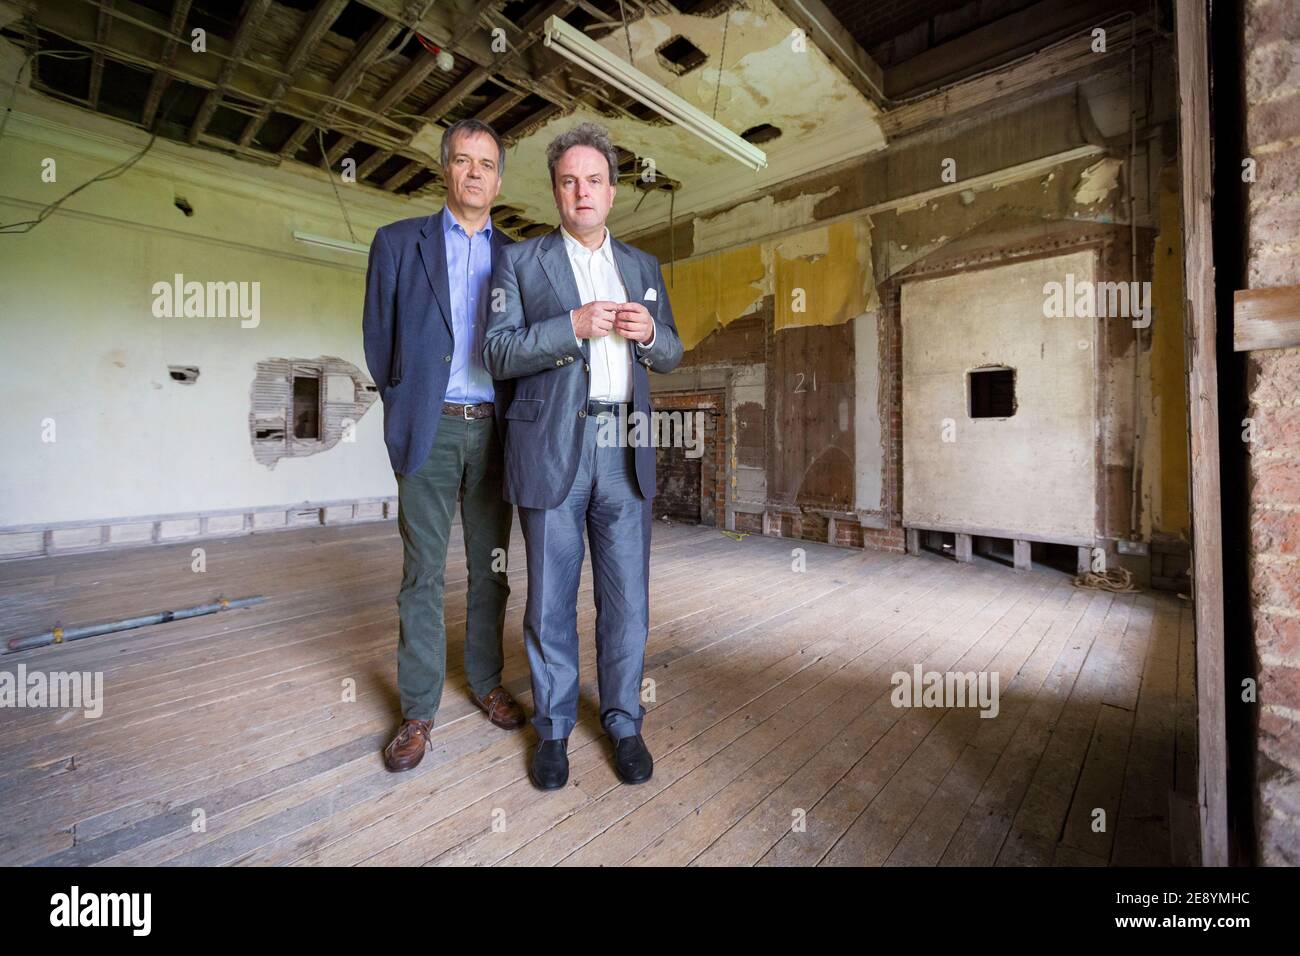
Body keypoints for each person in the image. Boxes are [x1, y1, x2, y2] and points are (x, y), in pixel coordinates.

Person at [483, 121, 684, 790]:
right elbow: (499, 352)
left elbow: (673, 352)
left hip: (624, 449)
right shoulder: (518, 262)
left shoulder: (643, 267)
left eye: (593, 179)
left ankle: (624, 723)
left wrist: (651, 331)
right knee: (549, 602)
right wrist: (568, 327)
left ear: (612, 190)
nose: (581, 191)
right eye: (568, 181)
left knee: (628, 602)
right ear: (555, 192)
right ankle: (554, 730)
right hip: (551, 450)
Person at [362, 118, 525, 773]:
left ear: (499, 178)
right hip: (430, 428)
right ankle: (419, 711)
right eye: (463, 160)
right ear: (446, 170)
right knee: (422, 576)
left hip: (494, 428)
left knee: (491, 570)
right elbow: (380, 339)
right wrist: (406, 399)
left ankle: (486, 681)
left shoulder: (519, 256)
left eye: (486, 162)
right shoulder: (398, 244)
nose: (475, 172)